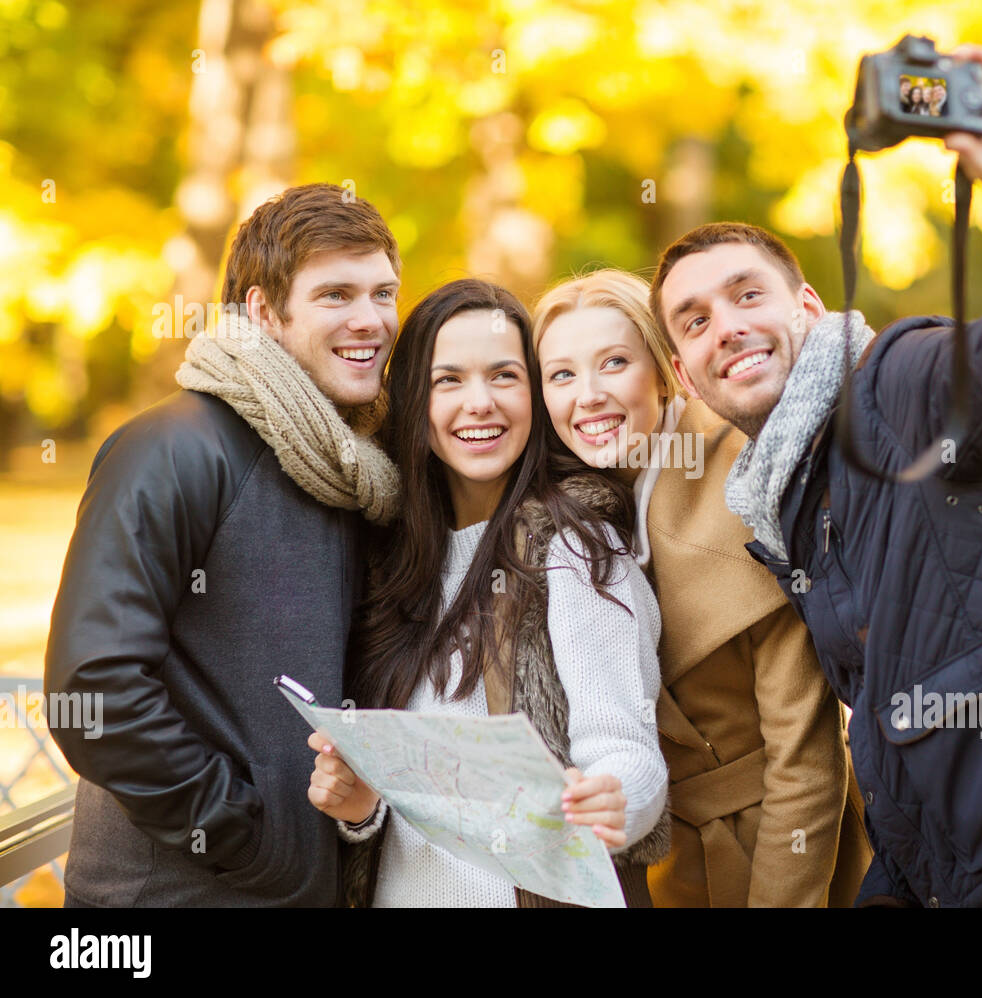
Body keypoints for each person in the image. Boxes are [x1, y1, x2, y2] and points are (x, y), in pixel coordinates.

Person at [646, 44, 982, 908]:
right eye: (694, 319)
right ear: (686, 376)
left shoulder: (896, 383)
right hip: (979, 876)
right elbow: (898, 740)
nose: (727, 327)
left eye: (748, 295)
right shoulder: (794, 498)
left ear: (809, 307)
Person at [44, 182, 403, 906]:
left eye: (383, 293)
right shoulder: (174, 448)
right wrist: (241, 833)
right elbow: (93, 688)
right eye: (336, 295)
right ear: (263, 312)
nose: (371, 320)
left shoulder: (348, 466)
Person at [308, 279, 670, 907]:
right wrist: (360, 806)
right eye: (448, 380)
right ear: (414, 400)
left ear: (536, 394)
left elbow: (624, 745)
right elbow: (408, 799)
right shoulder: (390, 562)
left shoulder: (575, 549)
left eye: (504, 376)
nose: (479, 403)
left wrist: (616, 795)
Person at [531, 270, 871, 906]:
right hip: (664, 861)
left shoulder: (739, 488)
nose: (589, 396)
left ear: (666, 372)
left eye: (614, 363)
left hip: (784, 851)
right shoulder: (565, 512)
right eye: (562, 375)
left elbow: (804, 763)